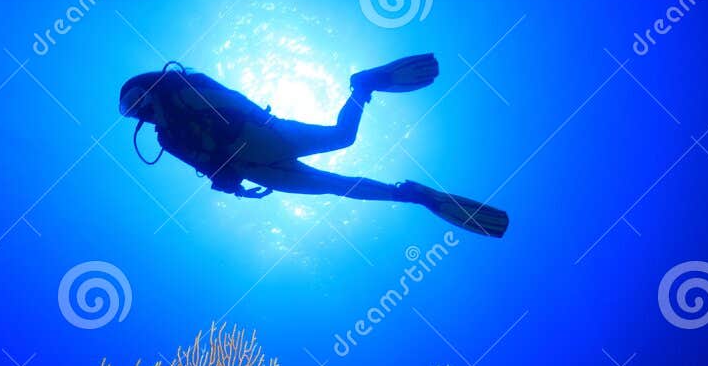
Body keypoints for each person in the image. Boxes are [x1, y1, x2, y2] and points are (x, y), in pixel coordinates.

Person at [119, 55, 509, 237]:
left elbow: (231, 102)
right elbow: (204, 166)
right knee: (338, 184)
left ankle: (364, 86)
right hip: (257, 165)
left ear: (147, 86)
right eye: (132, 111)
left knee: (343, 138)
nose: (139, 111)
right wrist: (229, 184)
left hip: (260, 137)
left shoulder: (182, 87)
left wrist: (251, 131)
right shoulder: (165, 138)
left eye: (136, 100)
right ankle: (411, 195)